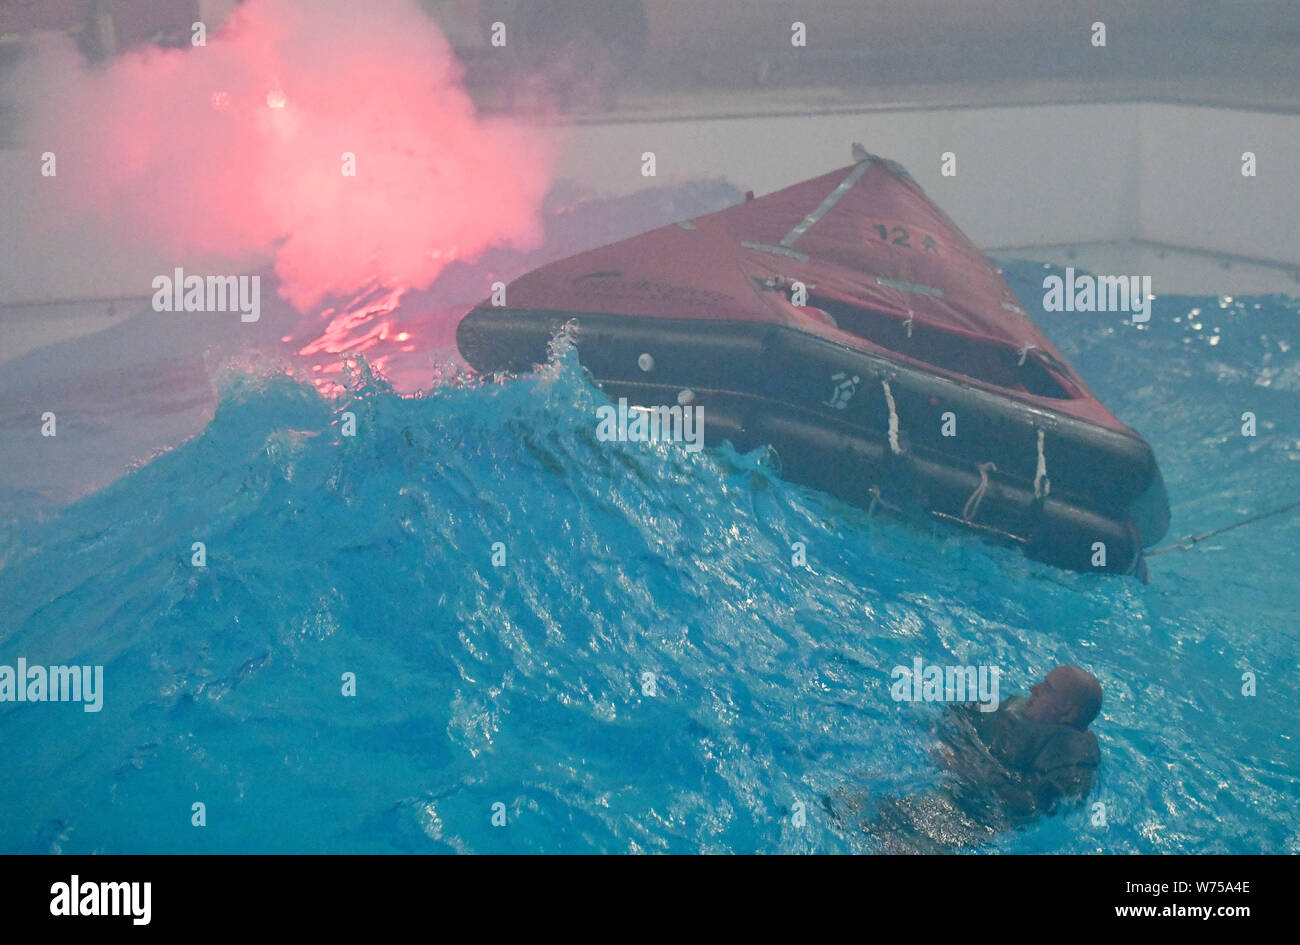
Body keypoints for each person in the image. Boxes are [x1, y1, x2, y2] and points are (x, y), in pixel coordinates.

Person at [830, 665, 1103, 852]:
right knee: (848, 803)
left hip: (979, 817)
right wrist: (946, 739)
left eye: (1046, 689)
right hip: (956, 788)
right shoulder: (1017, 709)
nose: (1033, 688)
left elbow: (1034, 806)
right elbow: (961, 714)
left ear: (1068, 713)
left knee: (901, 844)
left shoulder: (1076, 759)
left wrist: (971, 771)